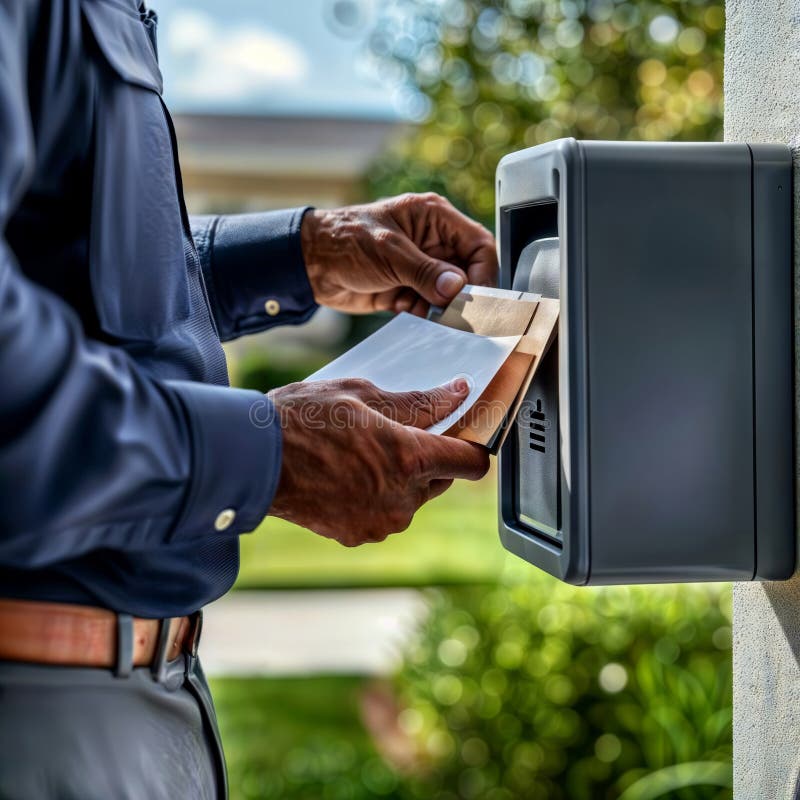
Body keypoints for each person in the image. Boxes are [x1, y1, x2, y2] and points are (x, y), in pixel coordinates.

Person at [0, 0, 496, 797]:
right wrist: (269, 455)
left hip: (142, 696)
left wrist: (303, 254)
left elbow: (67, 269)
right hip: (41, 712)